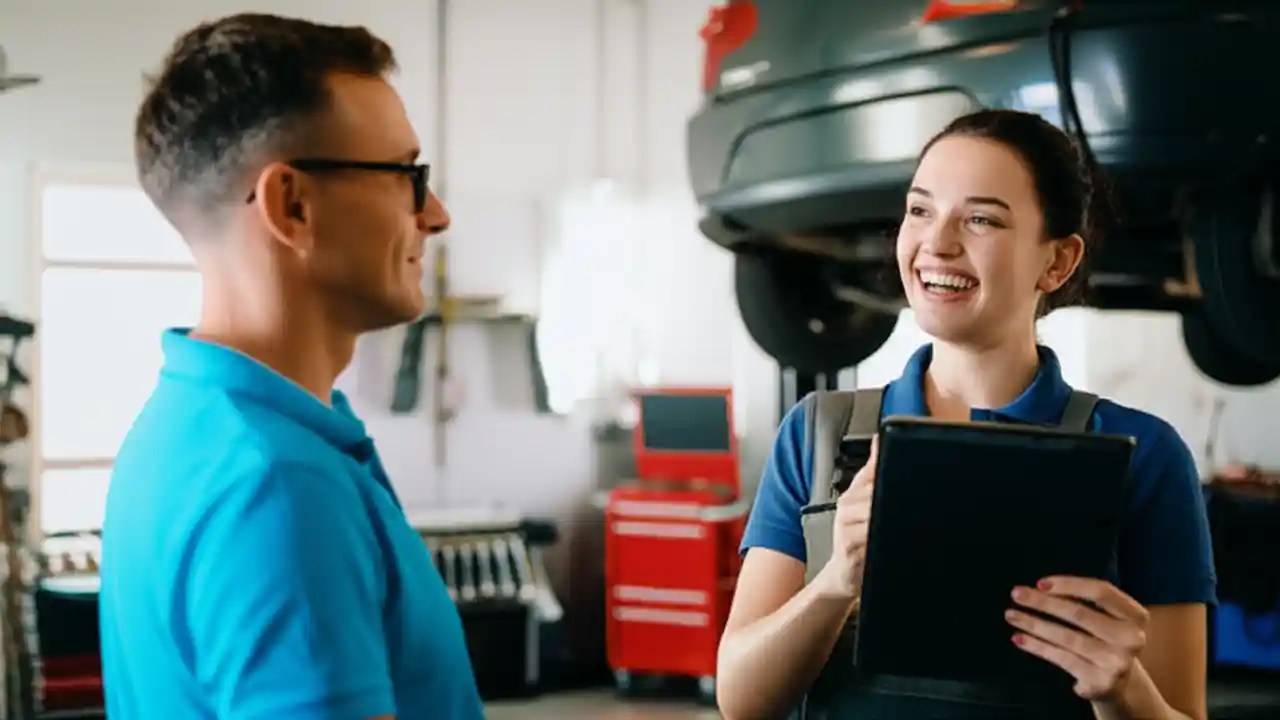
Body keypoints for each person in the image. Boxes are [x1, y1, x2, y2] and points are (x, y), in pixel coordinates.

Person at [715, 109, 1216, 720]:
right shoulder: (819, 435)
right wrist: (835, 584)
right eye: (920, 210)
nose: (937, 243)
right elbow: (741, 701)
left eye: (980, 219)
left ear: (1057, 262)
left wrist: (1122, 689)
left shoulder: (1144, 454)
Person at [98, 14, 481, 720]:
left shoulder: (182, 430)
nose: (436, 214)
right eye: (406, 175)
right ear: (293, 206)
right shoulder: (274, 486)